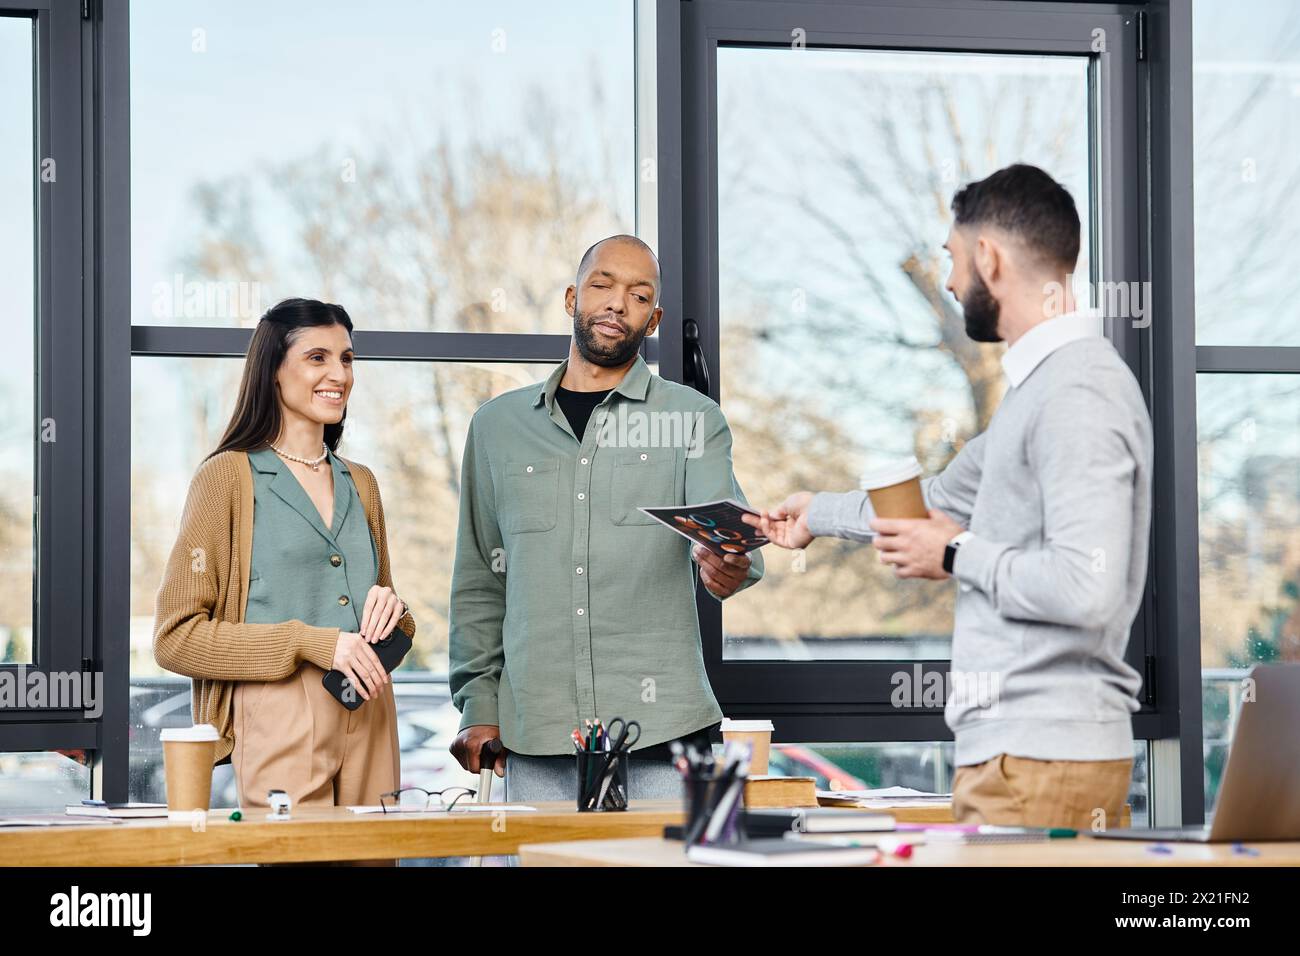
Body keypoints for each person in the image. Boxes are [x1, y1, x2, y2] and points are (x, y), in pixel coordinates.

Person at [750, 165, 1152, 830]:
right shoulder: (1039, 391)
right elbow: (937, 498)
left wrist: (958, 553)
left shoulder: (1079, 392)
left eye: (953, 259)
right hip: (1012, 759)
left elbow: (1087, 586)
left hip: (1043, 759)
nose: (950, 281)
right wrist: (815, 513)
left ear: (988, 258)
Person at [448, 235, 763, 802]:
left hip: (664, 736)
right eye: (603, 285)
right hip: (535, 734)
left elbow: (730, 539)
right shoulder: (496, 428)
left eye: (639, 295)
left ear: (655, 317)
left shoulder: (693, 420)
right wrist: (478, 705)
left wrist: (727, 563)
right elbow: (479, 580)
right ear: (572, 297)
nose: (619, 303)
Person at [154, 298, 414, 818]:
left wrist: (397, 617)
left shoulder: (361, 483)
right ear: (273, 370)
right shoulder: (227, 477)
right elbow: (175, 638)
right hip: (279, 711)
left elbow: (391, 622)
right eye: (317, 357)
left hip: (372, 711)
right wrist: (309, 643)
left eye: (347, 358)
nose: (338, 373)